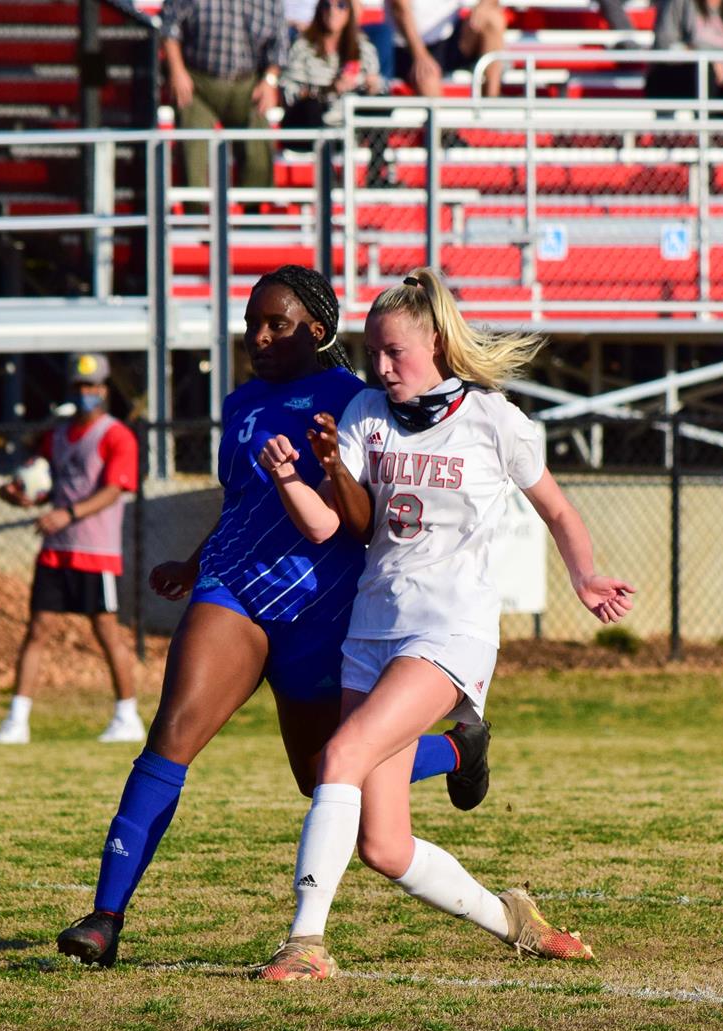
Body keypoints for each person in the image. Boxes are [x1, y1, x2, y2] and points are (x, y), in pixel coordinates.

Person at [56, 266, 488, 970]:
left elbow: (364, 520)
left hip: (320, 607)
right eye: (252, 323)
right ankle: (105, 917)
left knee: (323, 776)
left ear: (318, 330)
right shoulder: (244, 401)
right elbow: (243, 504)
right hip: (234, 591)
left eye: (275, 324)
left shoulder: (359, 402)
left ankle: (457, 749)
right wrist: (197, 564)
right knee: (170, 736)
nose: (257, 336)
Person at [248, 269, 636, 983]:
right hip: (372, 630)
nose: (383, 367)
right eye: (373, 353)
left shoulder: (492, 418)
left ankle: (306, 942)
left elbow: (557, 509)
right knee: (386, 846)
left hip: (450, 631)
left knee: (339, 757)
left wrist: (584, 576)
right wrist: (292, 480)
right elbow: (336, 525)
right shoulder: (367, 412)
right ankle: (515, 920)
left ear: (437, 341)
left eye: (395, 352)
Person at [0, 353, 145, 746]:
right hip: (56, 549)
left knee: (106, 631)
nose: (86, 393)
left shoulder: (116, 435)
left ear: (104, 389)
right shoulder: (57, 435)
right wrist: (18, 494)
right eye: (79, 386)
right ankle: (17, 720)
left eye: (92, 386)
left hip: (96, 549)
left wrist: (68, 514)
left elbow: (114, 490)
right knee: (38, 630)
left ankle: (127, 715)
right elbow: (43, 484)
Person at [159, 0, 288, 194]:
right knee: (192, 156)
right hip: (198, 84)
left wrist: (270, 79)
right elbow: (169, 26)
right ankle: (193, 220)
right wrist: (176, 70)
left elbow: (280, 41)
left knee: (258, 157)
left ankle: (254, 220)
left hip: (248, 86)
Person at [281, 0, 384, 133]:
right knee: (311, 108)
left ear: (349, 11)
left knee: (380, 102)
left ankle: (377, 153)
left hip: (351, 120)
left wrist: (368, 85)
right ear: (319, 9)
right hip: (312, 122)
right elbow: (289, 92)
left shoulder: (364, 48)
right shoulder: (302, 47)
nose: (333, 11)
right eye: (326, 5)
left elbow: (378, 84)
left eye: (341, 5)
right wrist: (329, 89)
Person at [388, 0, 506, 99]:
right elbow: (400, 10)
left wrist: (483, 6)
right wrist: (420, 55)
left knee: (492, 19)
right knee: (427, 77)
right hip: (408, 46)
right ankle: (441, 126)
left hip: (448, 40)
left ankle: (491, 104)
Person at [648, 0, 723, 100]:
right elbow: (664, 45)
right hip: (685, 77)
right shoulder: (680, 3)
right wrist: (705, 59)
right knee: (706, 72)